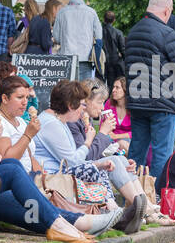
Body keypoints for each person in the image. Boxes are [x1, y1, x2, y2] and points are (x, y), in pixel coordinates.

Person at [0, 59, 118, 243]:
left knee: (24, 196)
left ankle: (74, 223)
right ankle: (74, 223)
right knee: (13, 168)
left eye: (27, 97)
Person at [32, 79, 147, 234]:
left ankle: (117, 212)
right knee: (96, 166)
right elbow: (73, 161)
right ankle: (116, 213)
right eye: (81, 105)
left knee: (103, 164)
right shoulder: (52, 123)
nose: (82, 110)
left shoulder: (60, 120)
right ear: (69, 105)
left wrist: (99, 160)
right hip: (52, 177)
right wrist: (89, 142)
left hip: (61, 172)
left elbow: (75, 159)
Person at [125, 0, 175, 181]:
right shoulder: (167, 33)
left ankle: (131, 194)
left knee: (136, 151)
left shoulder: (133, 32)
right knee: (162, 154)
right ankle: (156, 198)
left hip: (137, 100)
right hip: (162, 102)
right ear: (166, 11)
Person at [0, 75, 43, 171]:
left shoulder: (20, 121)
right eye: (20, 97)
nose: (25, 102)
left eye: (27, 97)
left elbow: (30, 157)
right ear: (5, 99)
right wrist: (28, 135)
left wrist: (44, 179)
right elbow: (6, 160)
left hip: (29, 177)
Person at [52, 0, 100, 81]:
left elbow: (56, 37)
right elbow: (99, 37)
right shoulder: (91, 12)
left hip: (66, 57)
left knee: (68, 91)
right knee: (85, 90)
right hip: (86, 58)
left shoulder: (61, 12)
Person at [101, 9, 126, 85]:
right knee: (116, 83)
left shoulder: (99, 32)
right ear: (114, 20)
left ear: (104, 19)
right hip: (115, 62)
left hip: (102, 61)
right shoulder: (118, 32)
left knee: (104, 84)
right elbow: (122, 49)